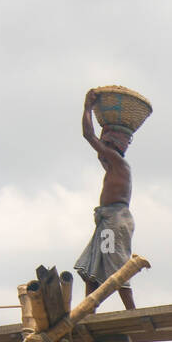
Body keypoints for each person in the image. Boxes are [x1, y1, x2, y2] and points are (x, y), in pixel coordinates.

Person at [74, 88, 138, 310]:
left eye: (105, 145)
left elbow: (88, 135)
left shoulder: (118, 162)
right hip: (109, 219)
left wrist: (88, 108)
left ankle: (132, 312)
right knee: (94, 262)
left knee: (116, 261)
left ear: (112, 146)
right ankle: (87, 310)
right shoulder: (114, 165)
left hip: (115, 220)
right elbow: (95, 144)